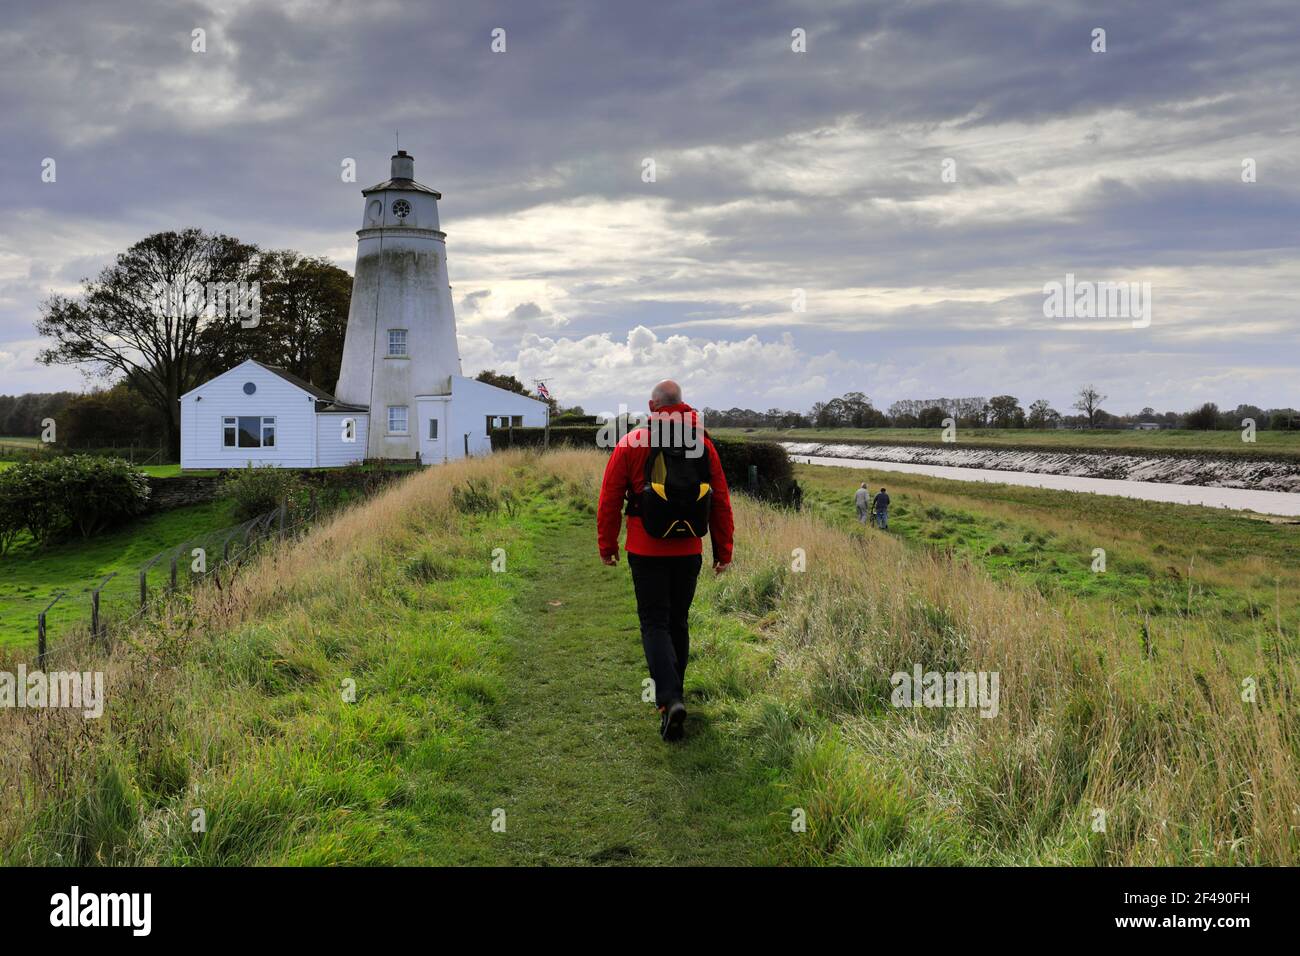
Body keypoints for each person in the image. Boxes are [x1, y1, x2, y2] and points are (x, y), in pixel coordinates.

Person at [597, 379, 734, 742]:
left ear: (651, 406)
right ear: (683, 405)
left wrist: (607, 545)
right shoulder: (702, 444)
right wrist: (724, 552)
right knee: (678, 622)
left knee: (654, 623)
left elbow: (609, 498)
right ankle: (677, 697)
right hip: (689, 548)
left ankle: (669, 700)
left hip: (645, 547)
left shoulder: (632, 443)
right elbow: (719, 500)